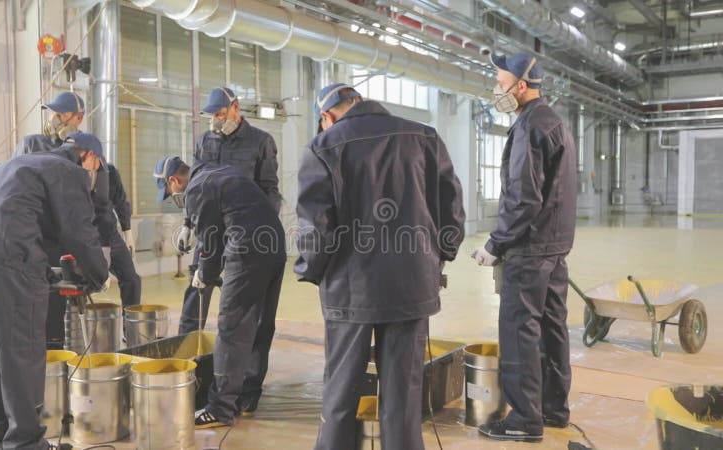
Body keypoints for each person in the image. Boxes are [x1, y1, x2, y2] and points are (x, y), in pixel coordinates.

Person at [295, 83, 465, 450]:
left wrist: (309, 267)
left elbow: (316, 225)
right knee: (403, 398)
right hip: (413, 284)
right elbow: (451, 206)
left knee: (340, 393)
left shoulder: (324, 146)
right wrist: (440, 254)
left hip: (349, 288)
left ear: (327, 116)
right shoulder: (424, 136)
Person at [0, 138, 108, 449]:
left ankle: (0, 435)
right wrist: (99, 275)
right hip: (11, 256)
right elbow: (78, 231)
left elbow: (32, 220)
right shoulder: (66, 170)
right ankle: (25, 443)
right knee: (20, 353)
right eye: (97, 165)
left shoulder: (13, 166)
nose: (95, 172)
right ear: (88, 155)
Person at [473, 53, 577, 443]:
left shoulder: (530, 125)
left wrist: (496, 244)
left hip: (530, 250)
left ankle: (524, 420)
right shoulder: (556, 122)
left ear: (520, 85)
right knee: (552, 330)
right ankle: (553, 408)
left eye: (501, 82)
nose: (498, 89)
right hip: (554, 247)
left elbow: (523, 196)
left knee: (520, 331)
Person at [154, 156, 286, 428]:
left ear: (173, 181)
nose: (175, 196)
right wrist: (189, 225)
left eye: (171, 192)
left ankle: (221, 407)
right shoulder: (218, 171)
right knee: (261, 322)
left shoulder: (196, 188)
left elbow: (211, 245)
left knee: (232, 328)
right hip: (274, 245)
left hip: (246, 250)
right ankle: (247, 396)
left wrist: (204, 274)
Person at [16, 93, 137, 347]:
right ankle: (55, 346)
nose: (54, 119)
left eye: (60, 114)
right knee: (56, 289)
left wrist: (125, 232)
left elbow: (112, 198)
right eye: (53, 114)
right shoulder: (34, 146)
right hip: (56, 232)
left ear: (78, 118)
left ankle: (132, 331)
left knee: (130, 278)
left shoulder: (94, 154)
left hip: (96, 228)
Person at [177, 86, 282, 334]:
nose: (215, 120)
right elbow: (196, 185)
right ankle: (185, 348)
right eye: (212, 115)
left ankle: (244, 358)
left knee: (248, 294)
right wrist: (188, 224)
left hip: (245, 231)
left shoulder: (261, 141)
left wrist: (263, 229)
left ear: (235, 108)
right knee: (198, 287)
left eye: (220, 114)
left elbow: (269, 188)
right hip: (210, 227)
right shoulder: (204, 141)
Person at [108, 162, 141, 310]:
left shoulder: (108, 171)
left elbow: (120, 202)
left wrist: (128, 233)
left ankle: (130, 326)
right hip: (79, 236)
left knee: (132, 280)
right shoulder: (70, 172)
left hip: (109, 234)